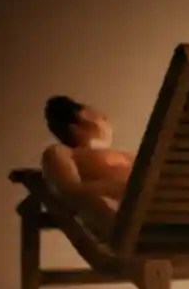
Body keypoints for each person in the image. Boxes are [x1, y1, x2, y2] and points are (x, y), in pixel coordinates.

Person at [39, 96, 135, 239]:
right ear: (81, 117)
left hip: (160, 212)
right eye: (101, 117)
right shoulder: (64, 153)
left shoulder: (129, 155)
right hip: (127, 222)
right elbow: (70, 191)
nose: (105, 118)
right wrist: (118, 188)